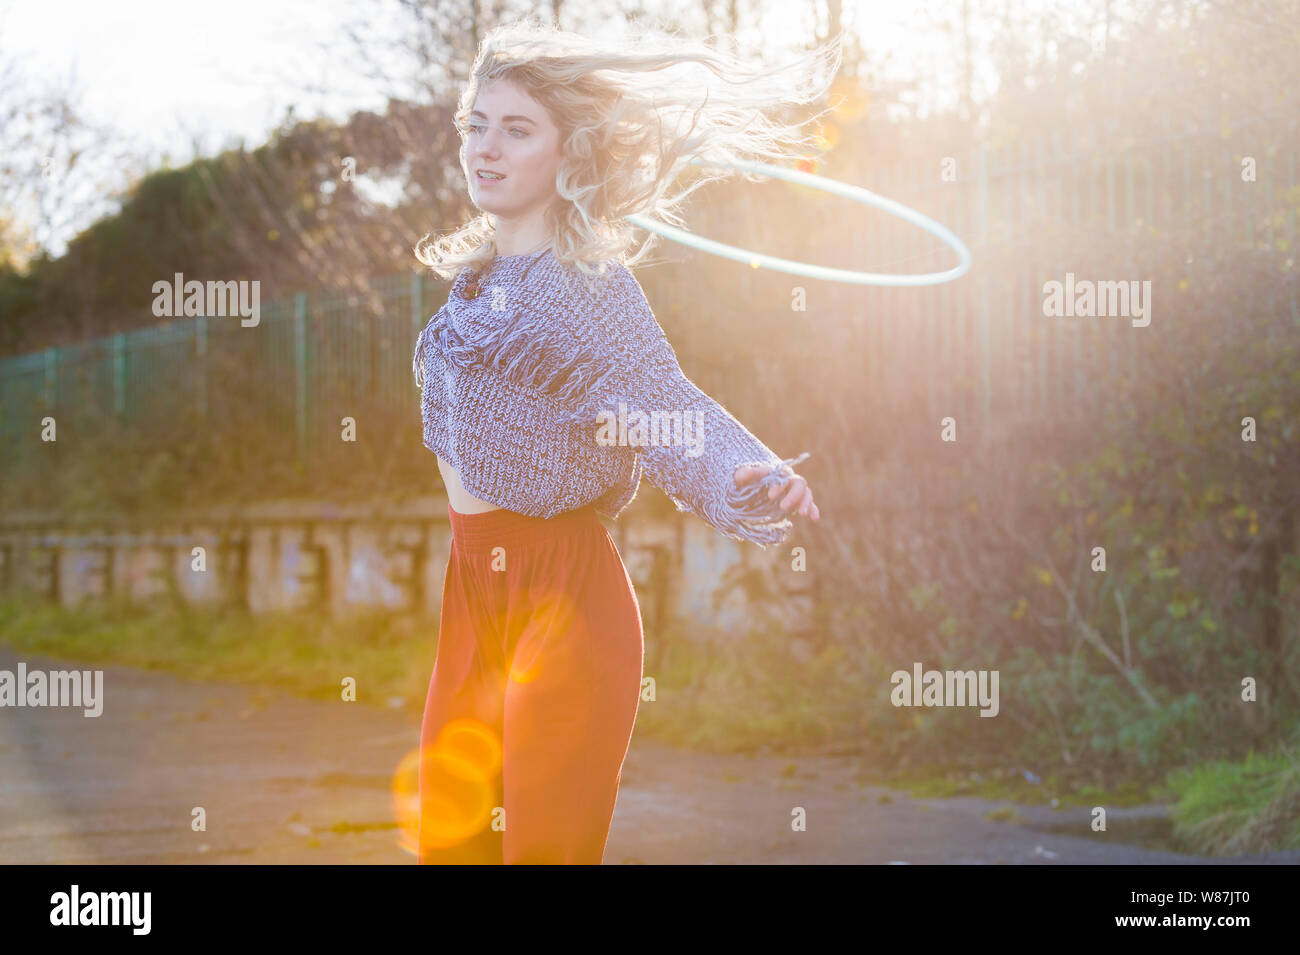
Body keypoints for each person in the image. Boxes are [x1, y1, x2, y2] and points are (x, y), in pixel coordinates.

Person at [409, 17, 839, 864]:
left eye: (518, 130)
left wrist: (744, 469)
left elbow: (662, 402)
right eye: (477, 126)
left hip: (564, 605)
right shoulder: (471, 283)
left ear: (569, 157)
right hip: (473, 599)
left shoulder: (590, 289)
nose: (486, 149)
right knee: (451, 846)